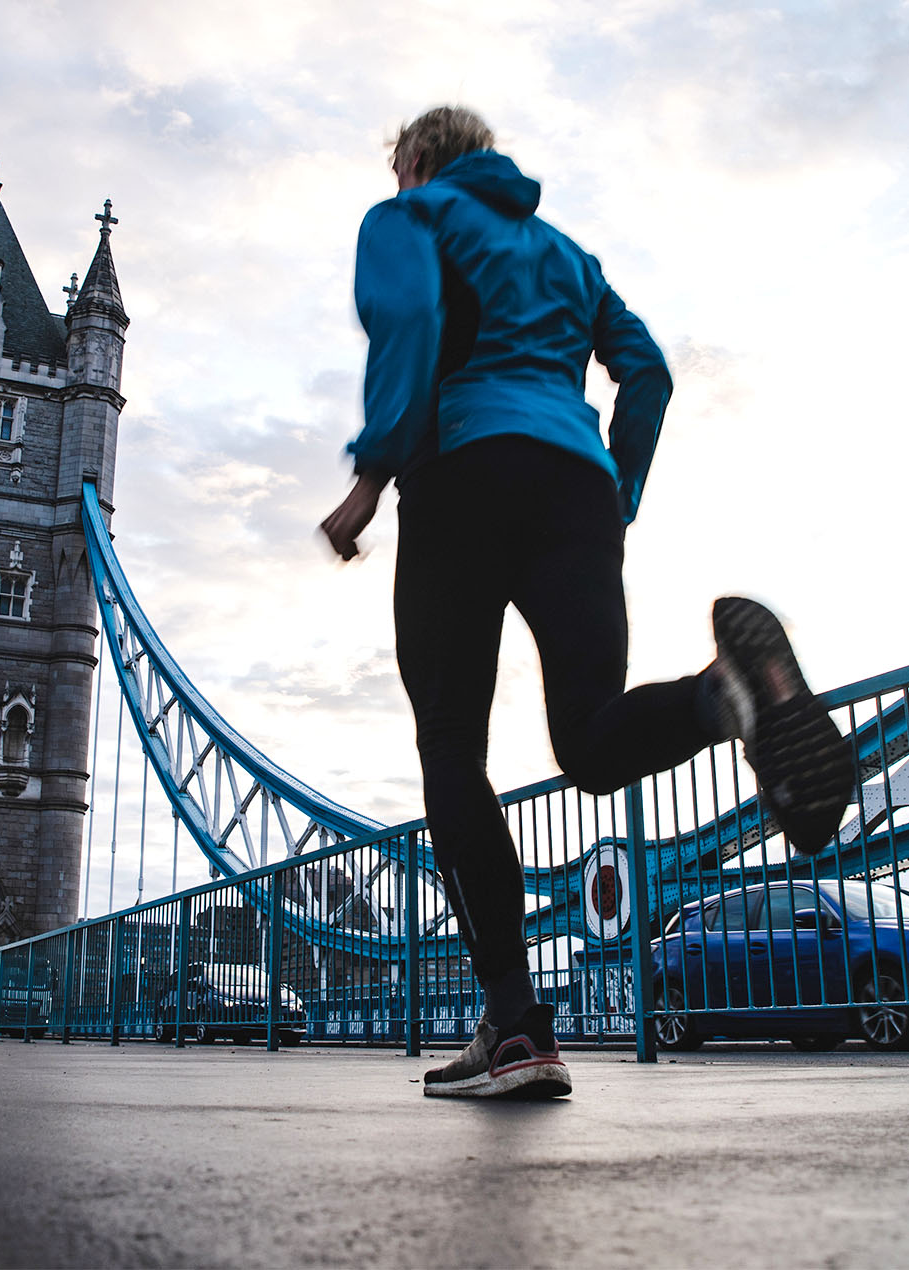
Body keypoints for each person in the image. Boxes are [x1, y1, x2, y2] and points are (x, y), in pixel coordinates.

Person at [320, 105, 852, 1100]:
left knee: (449, 749)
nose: (397, 178)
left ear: (422, 157)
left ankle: (515, 1026)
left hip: (460, 475)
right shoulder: (565, 252)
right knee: (592, 740)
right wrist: (620, 488)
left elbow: (413, 323)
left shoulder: (412, 217)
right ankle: (726, 695)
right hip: (573, 488)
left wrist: (371, 473)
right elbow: (644, 370)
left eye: (399, 162)